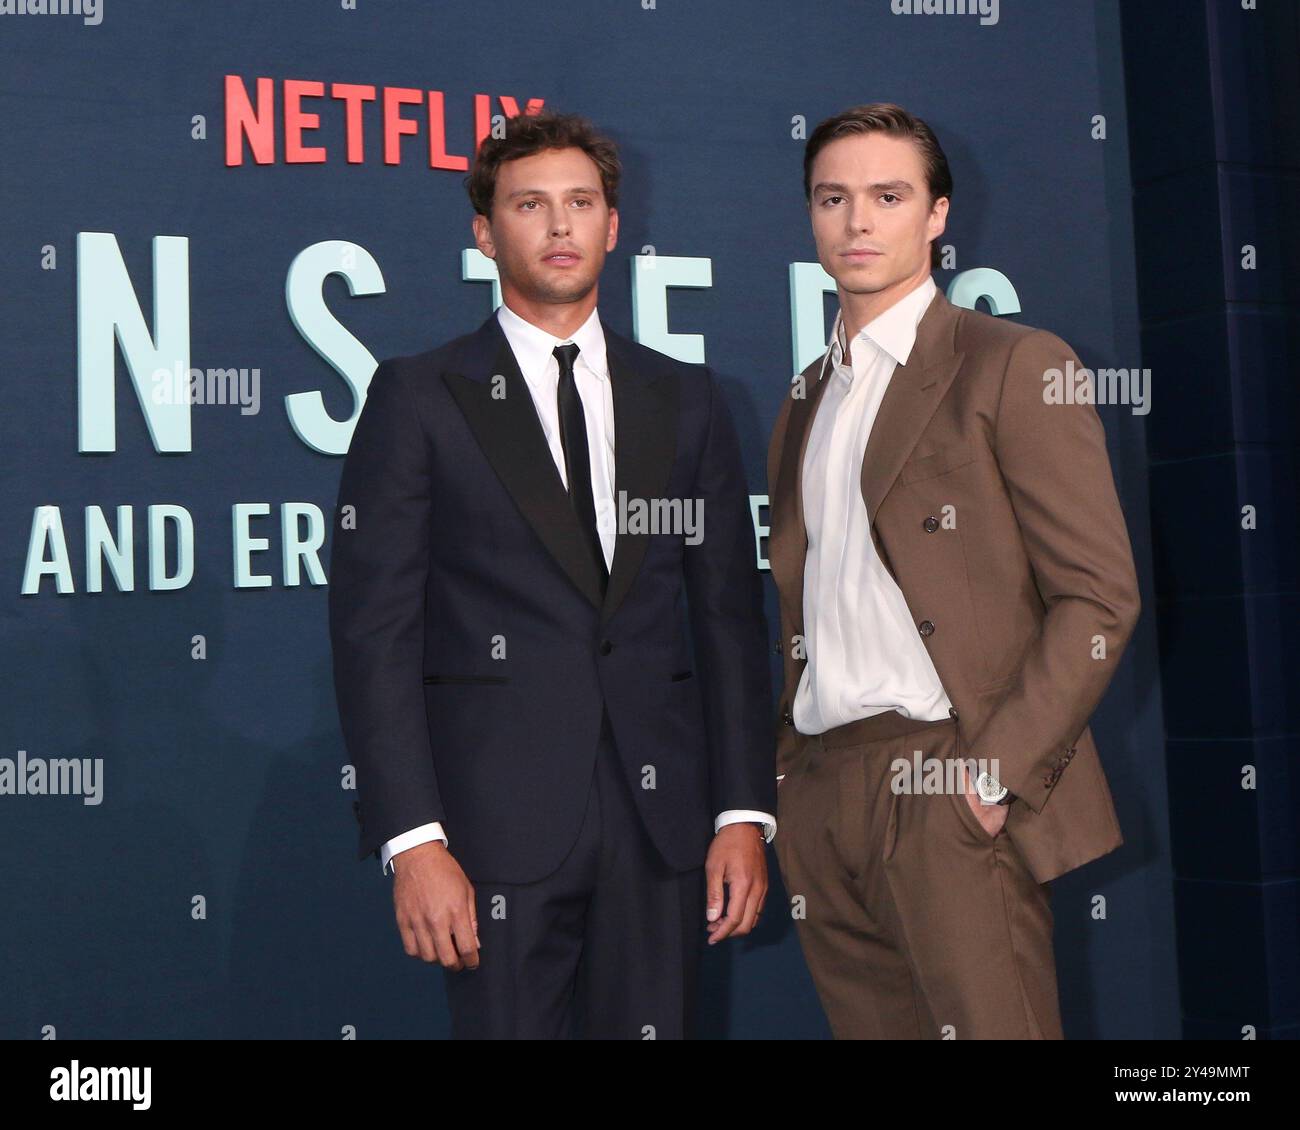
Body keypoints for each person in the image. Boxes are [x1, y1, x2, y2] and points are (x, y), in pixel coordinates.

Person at [329, 109, 775, 1039]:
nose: (561, 226)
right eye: (530, 204)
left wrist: (741, 812)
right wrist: (415, 840)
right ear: (486, 233)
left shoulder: (686, 398)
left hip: (663, 829)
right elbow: (376, 633)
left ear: (616, 226)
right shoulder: (419, 396)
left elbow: (729, 619)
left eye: (582, 203)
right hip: (493, 829)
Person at [767, 103, 1141, 1039]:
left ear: (936, 216)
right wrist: (791, 784)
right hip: (823, 792)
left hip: (945, 782)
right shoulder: (805, 399)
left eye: (888, 196)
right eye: (834, 198)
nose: (857, 221)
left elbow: (1098, 597)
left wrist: (988, 779)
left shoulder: (1011, 366)